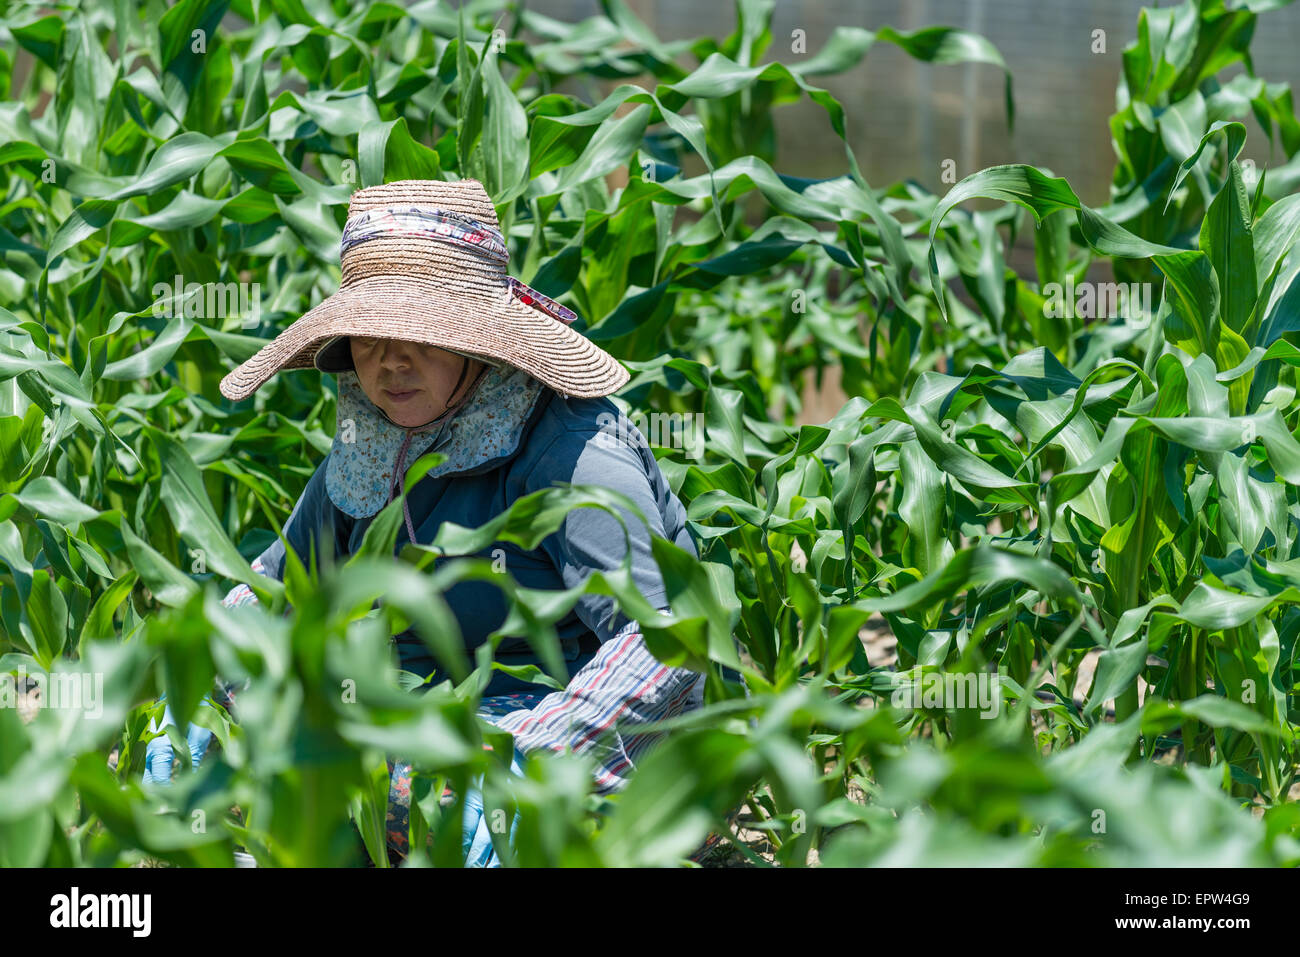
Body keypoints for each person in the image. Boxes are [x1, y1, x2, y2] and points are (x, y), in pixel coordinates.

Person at [142, 179, 707, 866]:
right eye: (371, 337)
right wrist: (196, 689)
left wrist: (523, 756)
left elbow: (667, 644)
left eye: (423, 335)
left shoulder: (572, 452)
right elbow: (272, 594)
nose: (392, 361)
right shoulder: (371, 449)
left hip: (595, 738)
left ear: (484, 343)